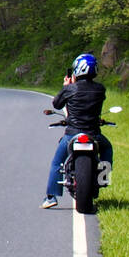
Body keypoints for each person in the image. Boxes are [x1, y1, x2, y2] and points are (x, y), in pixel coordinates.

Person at [42, 53, 113, 209]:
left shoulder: (70, 89)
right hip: (94, 133)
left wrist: (67, 87)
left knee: (57, 162)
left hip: (72, 133)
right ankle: (103, 178)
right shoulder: (100, 89)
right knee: (107, 147)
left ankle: (51, 197)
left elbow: (57, 104)